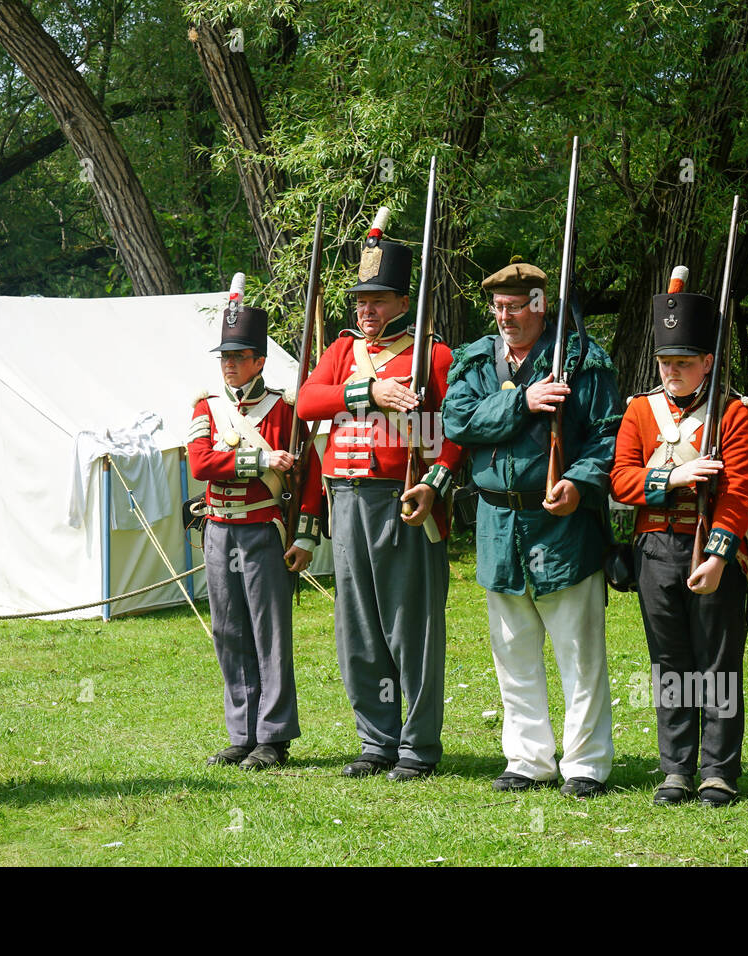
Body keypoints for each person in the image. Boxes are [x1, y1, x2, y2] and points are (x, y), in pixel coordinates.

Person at [442, 259, 623, 797]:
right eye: (499, 308)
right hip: (498, 525)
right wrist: (520, 401)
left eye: (517, 307)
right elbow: (458, 422)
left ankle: (586, 764)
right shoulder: (475, 361)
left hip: (562, 526)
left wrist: (579, 483)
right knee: (513, 651)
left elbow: (607, 437)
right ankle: (528, 759)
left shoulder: (582, 361)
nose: (506, 318)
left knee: (579, 652)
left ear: (541, 305)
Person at [294, 210, 462, 781]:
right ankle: (376, 739)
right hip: (345, 498)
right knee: (358, 626)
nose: (367, 310)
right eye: (361, 300)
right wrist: (371, 391)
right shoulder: (343, 352)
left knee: (409, 627)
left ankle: (417, 745)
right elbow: (307, 403)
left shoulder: (432, 355)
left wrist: (433, 484)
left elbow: (453, 432)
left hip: (401, 500)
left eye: (379, 299)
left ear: (402, 300)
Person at [610, 271, 748, 807]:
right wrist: (671, 479)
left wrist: (720, 557)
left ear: (706, 362)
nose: (672, 373)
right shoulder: (639, 410)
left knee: (717, 662)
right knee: (670, 661)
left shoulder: (734, 413)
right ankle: (676, 767)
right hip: (655, 549)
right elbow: (621, 479)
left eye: (683, 363)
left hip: (712, 551)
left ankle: (718, 769)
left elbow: (738, 494)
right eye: (665, 363)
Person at [186, 280, 322, 770]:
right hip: (219, 529)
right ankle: (241, 732)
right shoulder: (208, 407)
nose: (229, 364)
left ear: (260, 360)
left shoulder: (284, 410)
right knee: (228, 631)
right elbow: (200, 464)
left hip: (264, 529)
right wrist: (257, 458)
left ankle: (274, 735)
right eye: (225, 355)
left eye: (240, 355)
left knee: (270, 633)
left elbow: (311, 477)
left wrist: (305, 536)